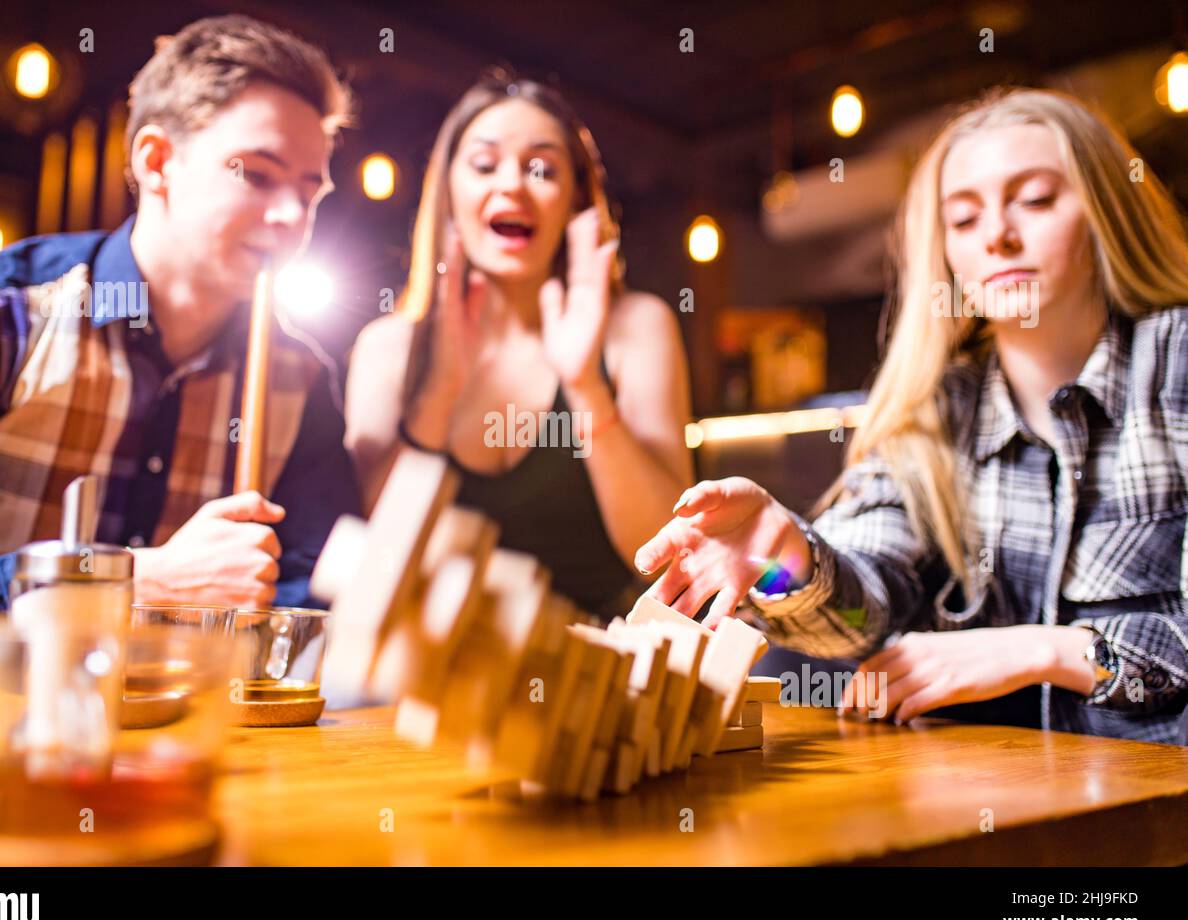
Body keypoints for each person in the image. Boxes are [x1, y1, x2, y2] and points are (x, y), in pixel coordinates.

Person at [635, 87, 1188, 744]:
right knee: (790, 665)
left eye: (1035, 200)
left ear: (1105, 214)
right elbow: (856, 608)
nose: (998, 236)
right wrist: (787, 557)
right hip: (1019, 812)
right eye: (963, 219)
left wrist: (1049, 651)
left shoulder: (1175, 360)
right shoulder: (938, 409)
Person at [0, 15, 362, 653]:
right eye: (256, 174)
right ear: (158, 160)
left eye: (309, 194)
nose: (288, 218)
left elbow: (310, 602)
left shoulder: (302, 381)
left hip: (189, 745)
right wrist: (126, 583)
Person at [345, 72, 693, 621]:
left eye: (542, 168)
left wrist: (585, 387)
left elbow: (661, 553)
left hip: (595, 680)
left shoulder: (636, 328)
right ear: (449, 192)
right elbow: (374, 562)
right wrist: (437, 391)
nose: (512, 184)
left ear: (575, 198)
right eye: (484, 165)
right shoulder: (386, 349)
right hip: (427, 685)